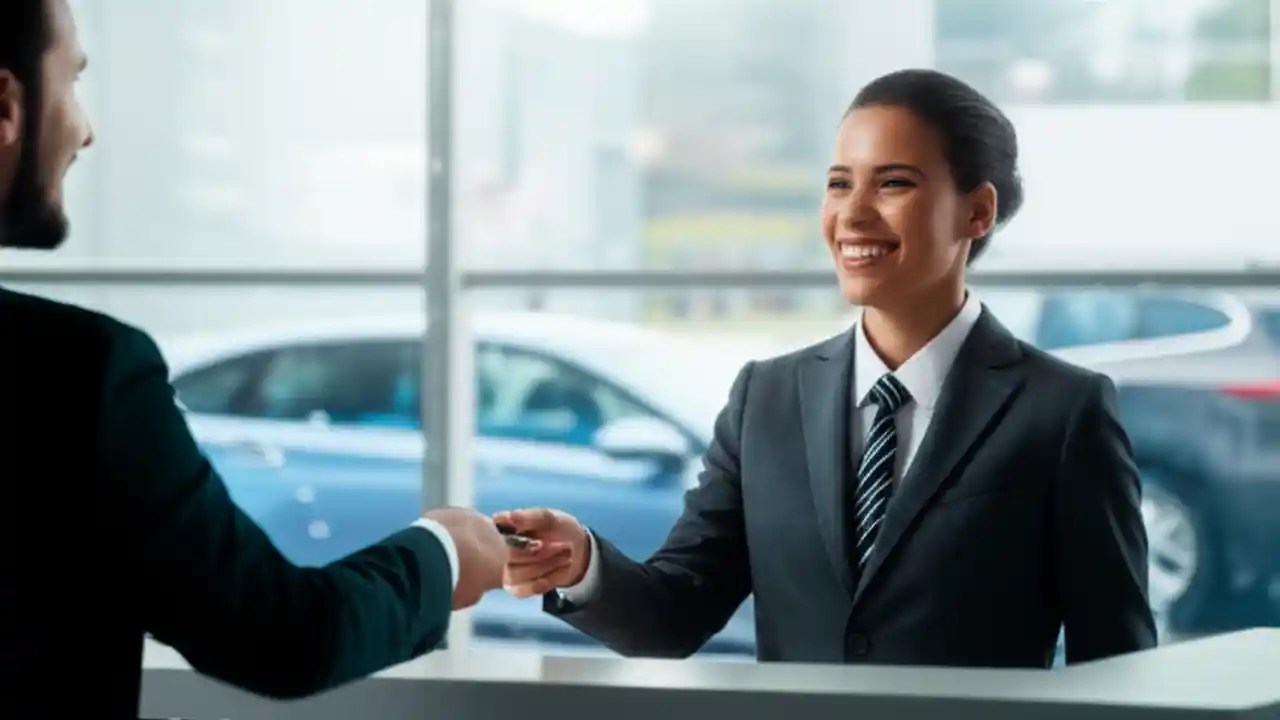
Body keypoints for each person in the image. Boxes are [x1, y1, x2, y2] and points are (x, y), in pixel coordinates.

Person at [495, 68, 1159, 668]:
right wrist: (581, 562)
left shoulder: (1062, 411)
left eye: (893, 182)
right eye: (839, 183)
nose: (853, 213)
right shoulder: (768, 398)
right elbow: (675, 614)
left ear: (976, 211)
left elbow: (1118, 660)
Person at [0, 0, 511, 715]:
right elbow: (284, 635)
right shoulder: (79, 372)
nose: (85, 131)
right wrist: (447, 552)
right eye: (72, 82)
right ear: (7, 106)